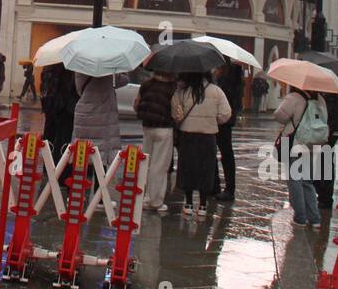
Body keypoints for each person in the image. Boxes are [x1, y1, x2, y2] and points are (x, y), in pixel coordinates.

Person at [170, 71, 231, 218]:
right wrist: (213, 120)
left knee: (187, 169)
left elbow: (175, 113)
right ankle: (203, 205)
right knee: (206, 170)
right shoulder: (217, 91)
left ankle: (189, 203)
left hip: (187, 135)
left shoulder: (182, 92)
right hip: (208, 136)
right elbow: (226, 114)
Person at [274, 84, 323, 228]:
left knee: (294, 180)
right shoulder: (319, 99)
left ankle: (300, 217)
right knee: (307, 182)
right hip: (312, 143)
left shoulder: (294, 98)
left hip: (295, 143)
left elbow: (279, 116)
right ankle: (315, 219)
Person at [135, 71, 178, 212]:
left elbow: (136, 105)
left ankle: (143, 196)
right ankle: (155, 201)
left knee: (145, 163)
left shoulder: (146, 85)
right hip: (164, 128)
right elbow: (176, 112)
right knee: (159, 165)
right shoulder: (172, 88)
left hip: (147, 127)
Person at [71, 71, 126, 167]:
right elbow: (123, 80)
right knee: (101, 155)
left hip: (84, 111)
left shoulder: (80, 68)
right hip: (104, 112)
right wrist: (121, 72)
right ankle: (99, 181)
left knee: (84, 151)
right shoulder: (107, 70)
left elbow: (79, 90)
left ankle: (82, 178)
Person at [213, 60, 243, 201]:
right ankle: (227, 187)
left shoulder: (225, 80)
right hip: (227, 120)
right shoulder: (235, 77)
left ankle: (220, 187)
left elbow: (222, 98)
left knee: (220, 153)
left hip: (220, 120)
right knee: (226, 154)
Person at [314, 91, 338, 209]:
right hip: (320, 130)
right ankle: (321, 192)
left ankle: (326, 197)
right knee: (318, 162)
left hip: (330, 131)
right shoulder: (320, 93)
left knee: (325, 162)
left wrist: (333, 132)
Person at [40, 64, 78, 162]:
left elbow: (43, 86)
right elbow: (70, 89)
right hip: (65, 108)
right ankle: (61, 169)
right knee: (63, 141)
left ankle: (48, 167)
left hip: (50, 106)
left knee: (49, 139)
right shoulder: (68, 68)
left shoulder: (48, 67)